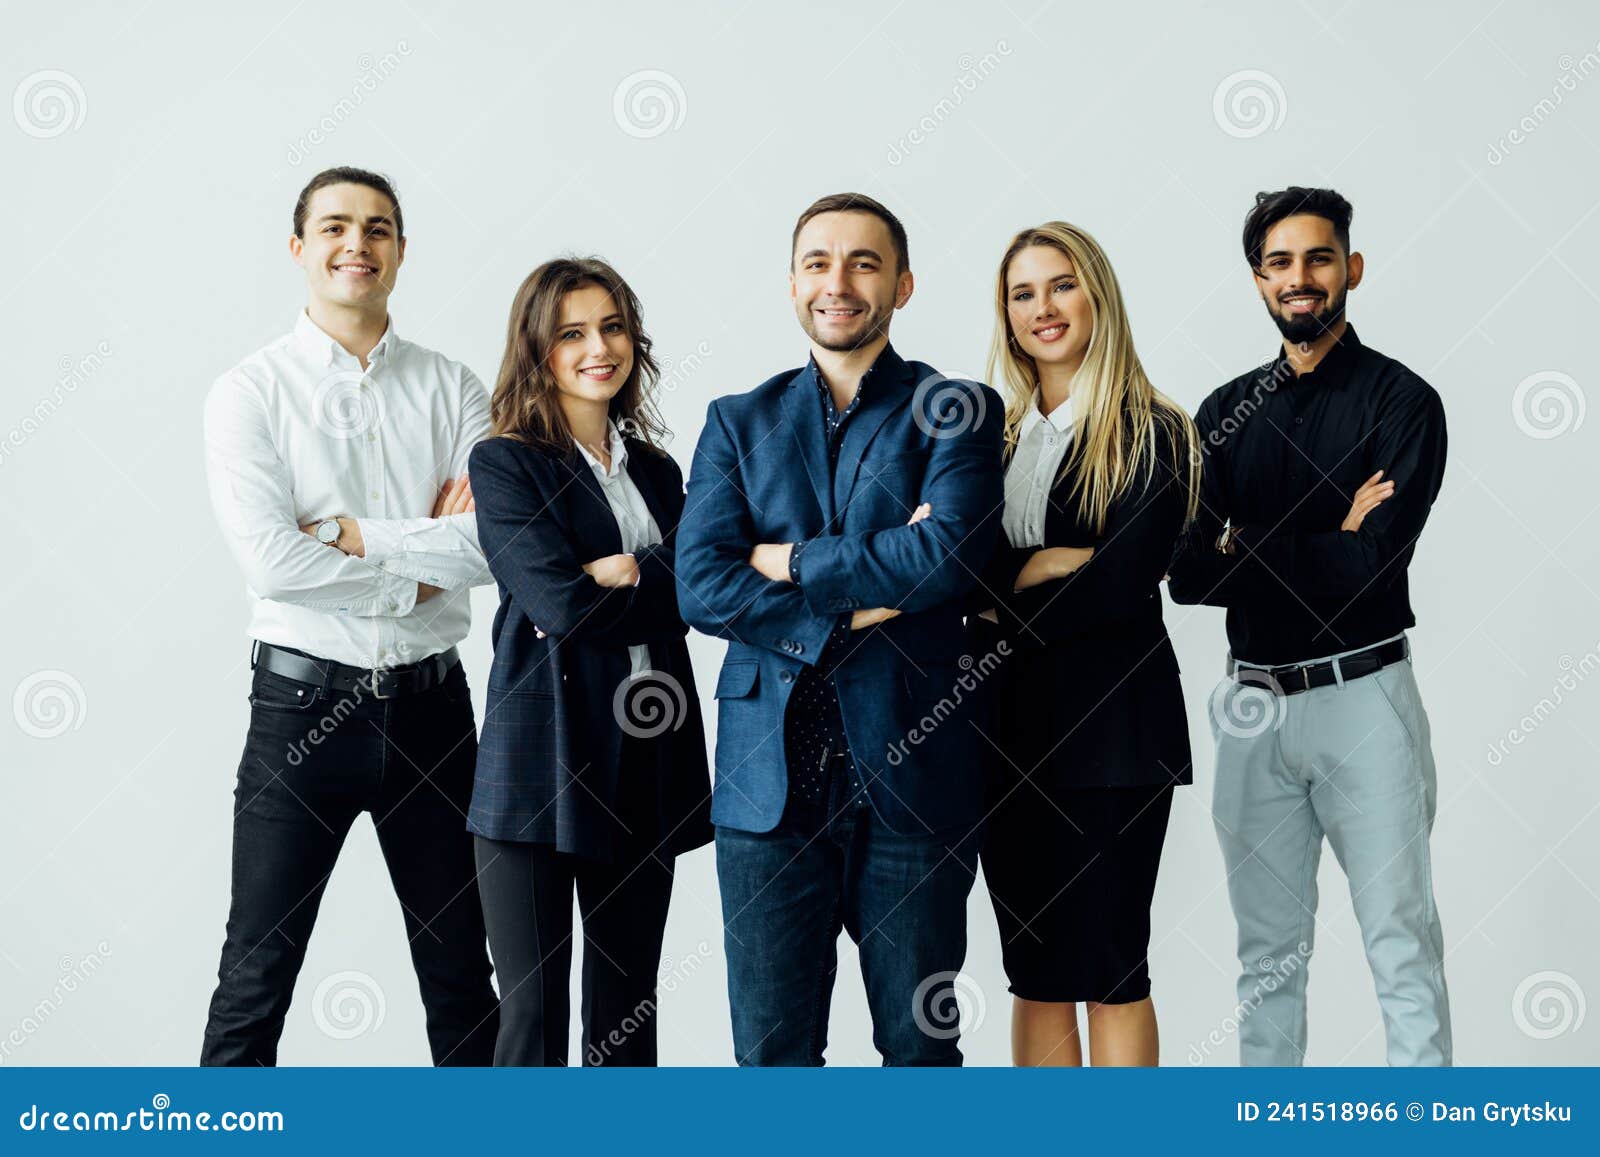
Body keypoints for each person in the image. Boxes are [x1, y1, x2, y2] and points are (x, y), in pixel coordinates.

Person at [675, 193, 1004, 1066]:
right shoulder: (735, 420)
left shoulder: (957, 408)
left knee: (919, 1051)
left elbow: (950, 557)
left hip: (913, 769)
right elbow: (700, 584)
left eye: (864, 262)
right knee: (773, 1057)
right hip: (765, 784)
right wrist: (871, 588)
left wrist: (784, 560)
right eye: (818, 262)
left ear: (902, 283)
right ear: (792, 286)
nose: (840, 282)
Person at [200, 166, 498, 1065]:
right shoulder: (249, 393)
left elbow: (490, 551)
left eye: (377, 228)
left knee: (462, 975)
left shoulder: (456, 390)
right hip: (299, 716)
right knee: (256, 974)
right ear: (300, 248)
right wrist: (415, 566)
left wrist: (348, 534)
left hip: (436, 716)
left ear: (401, 251)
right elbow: (271, 561)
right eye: (334, 227)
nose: (356, 245)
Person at [1167, 186, 1451, 1066]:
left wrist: (1241, 540)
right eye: (1280, 263)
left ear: (1350, 269)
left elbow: (1370, 571)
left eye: (1319, 258)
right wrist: (1328, 532)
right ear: (1258, 280)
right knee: (1266, 960)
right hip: (1251, 707)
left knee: (1399, 940)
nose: (1301, 278)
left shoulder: (1403, 403)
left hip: (1363, 695)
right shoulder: (1220, 414)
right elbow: (1186, 574)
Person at [466, 258, 713, 1066]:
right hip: (541, 759)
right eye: (572, 332)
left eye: (611, 327)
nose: (598, 347)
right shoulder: (505, 462)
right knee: (532, 1013)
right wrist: (651, 568)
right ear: (538, 350)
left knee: (626, 1012)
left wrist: (620, 570)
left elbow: (702, 592)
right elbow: (559, 606)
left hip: (647, 754)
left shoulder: (658, 469)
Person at [968, 221, 1200, 1066]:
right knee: (1033, 972)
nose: (1043, 307)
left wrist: (1007, 599)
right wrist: (1042, 567)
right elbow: (961, 575)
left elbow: (1117, 586)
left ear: (1096, 292)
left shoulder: (1157, 430)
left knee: (1110, 969)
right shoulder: (985, 438)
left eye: (1061, 285)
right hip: (1005, 738)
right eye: (1022, 293)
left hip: (1114, 739)